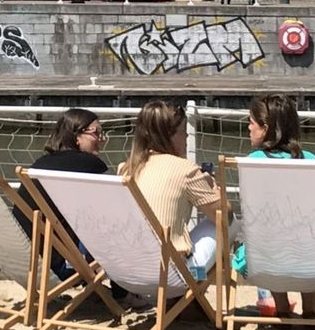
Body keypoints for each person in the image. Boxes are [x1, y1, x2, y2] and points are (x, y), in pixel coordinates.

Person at [120, 101, 224, 280]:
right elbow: (224, 217)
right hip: (168, 277)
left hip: (127, 272)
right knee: (225, 225)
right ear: (169, 136)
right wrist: (215, 191)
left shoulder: (125, 168)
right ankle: (193, 294)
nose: (186, 138)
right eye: (183, 132)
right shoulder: (185, 169)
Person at [240, 94, 315, 321]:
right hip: (313, 258)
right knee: (305, 232)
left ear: (265, 128)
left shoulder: (253, 160)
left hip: (265, 258)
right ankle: (310, 309)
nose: (248, 127)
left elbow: (253, 212)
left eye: (251, 122)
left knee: (268, 232)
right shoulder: (312, 161)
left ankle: (282, 307)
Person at [21, 108, 108, 280]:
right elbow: (114, 210)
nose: (102, 140)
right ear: (76, 137)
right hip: (60, 265)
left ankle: (93, 291)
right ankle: (123, 294)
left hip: (28, 260)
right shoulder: (90, 164)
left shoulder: (40, 164)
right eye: (96, 133)